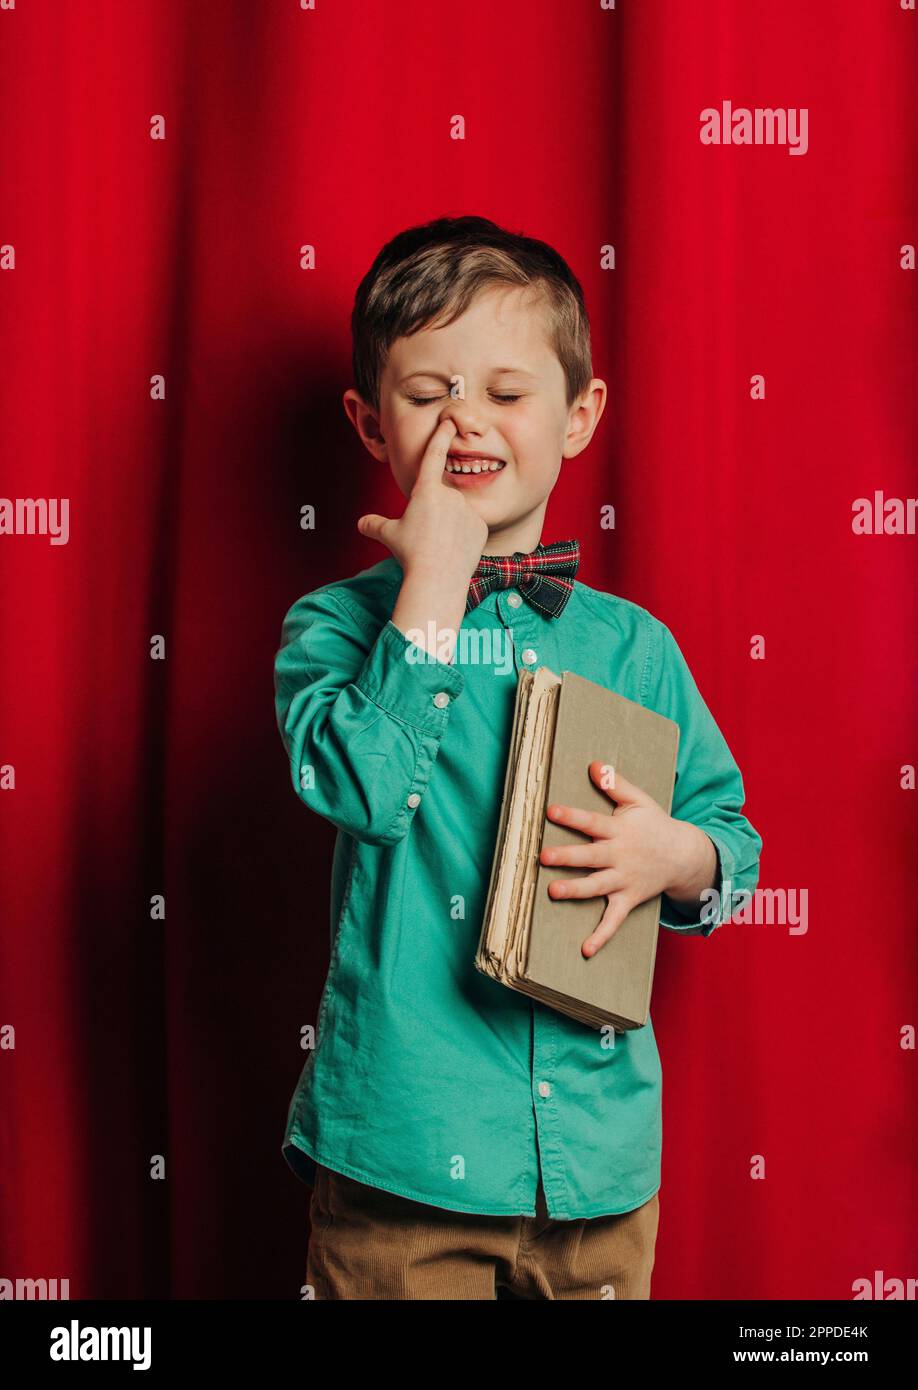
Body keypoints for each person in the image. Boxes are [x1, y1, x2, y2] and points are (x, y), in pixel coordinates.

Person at [273, 215, 762, 1300]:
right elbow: (357, 786)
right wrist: (433, 592)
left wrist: (671, 852)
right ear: (368, 422)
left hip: (600, 1171)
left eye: (504, 390)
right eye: (426, 392)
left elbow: (735, 846)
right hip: (403, 1165)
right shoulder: (331, 627)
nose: (465, 420)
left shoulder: (637, 647)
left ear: (578, 415)